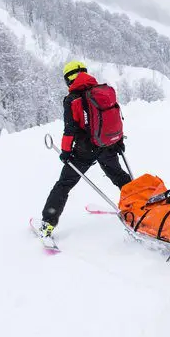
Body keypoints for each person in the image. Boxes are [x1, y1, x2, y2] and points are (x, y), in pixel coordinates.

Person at [35, 61, 133, 239]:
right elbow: (115, 117)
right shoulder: (102, 92)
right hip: (108, 144)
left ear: (68, 79)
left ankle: (47, 223)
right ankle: (140, 207)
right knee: (119, 175)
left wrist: (65, 153)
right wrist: (117, 141)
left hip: (85, 150)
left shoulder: (72, 99)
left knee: (64, 184)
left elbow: (69, 130)